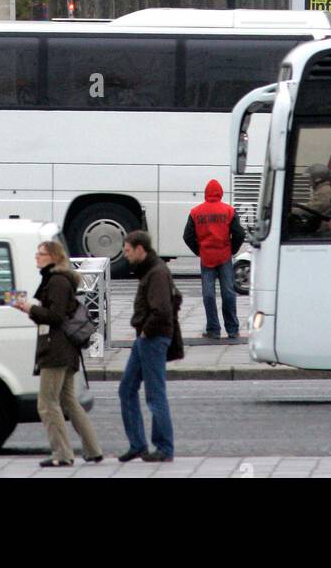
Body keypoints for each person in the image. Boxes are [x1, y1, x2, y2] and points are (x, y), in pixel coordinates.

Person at [13, 239, 103, 468]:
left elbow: (55, 316)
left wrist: (28, 307)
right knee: (69, 401)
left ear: (53, 257)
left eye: (41, 254)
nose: (37, 257)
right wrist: (30, 309)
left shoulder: (57, 281)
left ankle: (62, 454)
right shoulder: (58, 280)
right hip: (65, 348)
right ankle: (93, 450)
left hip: (56, 349)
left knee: (46, 403)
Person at [118, 230, 176, 463]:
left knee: (155, 394)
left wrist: (145, 331)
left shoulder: (157, 272)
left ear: (140, 249)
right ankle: (138, 444)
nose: (125, 255)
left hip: (153, 338)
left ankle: (164, 447)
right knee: (126, 389)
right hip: (145, 338)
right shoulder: (149, 270)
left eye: (128, 250)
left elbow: (162, 309)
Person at [183, 179, 245, 341]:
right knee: (229, 293)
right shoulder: (229, 211)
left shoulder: (196, 212)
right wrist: (232, 249)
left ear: (206, 193)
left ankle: (213, 329)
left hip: (206, 257)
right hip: (224, 255)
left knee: (208, 294)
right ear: (220, 193)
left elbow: (187, 236)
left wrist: (199, 250)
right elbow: (239, 233)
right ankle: (232, 329)